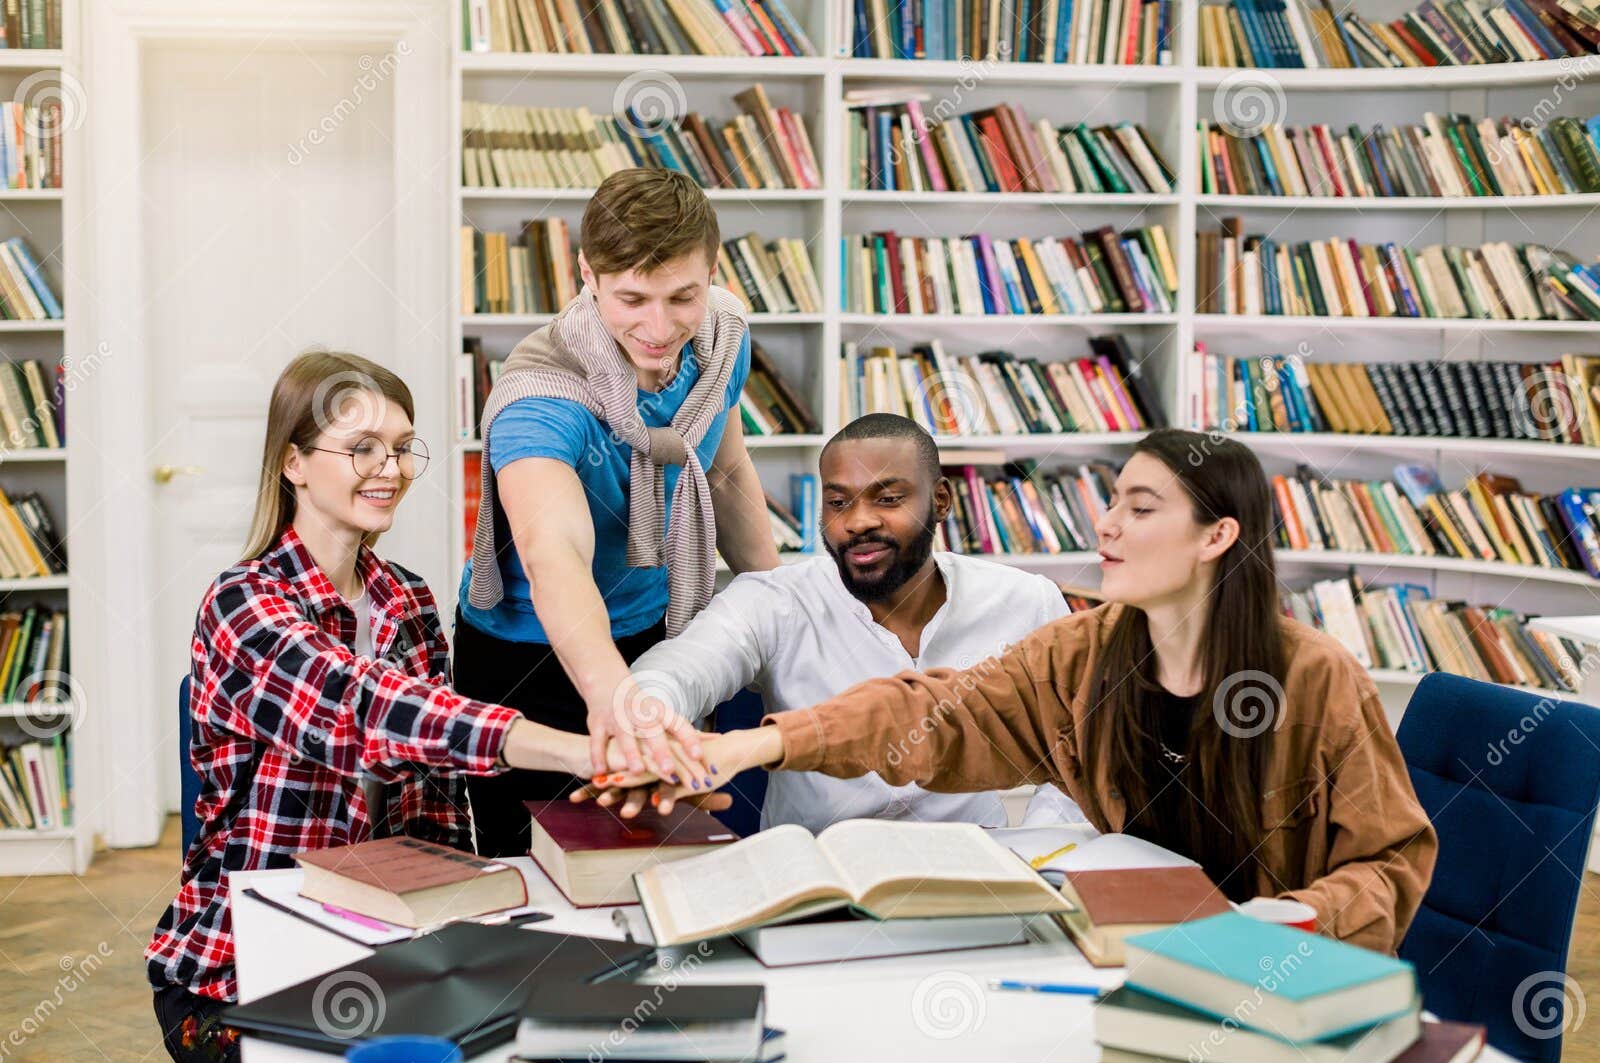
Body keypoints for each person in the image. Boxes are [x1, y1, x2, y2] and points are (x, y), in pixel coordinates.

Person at [588, 429, 1439, 955]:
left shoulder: (1316, 678)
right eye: (1111, 501)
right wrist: (752, 744)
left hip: (1273, 984)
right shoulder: (1086, 650)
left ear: (1218, 535)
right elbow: (933, 710)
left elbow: (1392, 862)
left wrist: (1283, 923)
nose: (1104, 524)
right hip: (1135, 957)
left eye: (1139, 508)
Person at [146, 351, 720, 1063]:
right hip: (240, 971)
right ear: (293, 462)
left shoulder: (410, 599)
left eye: (399, 448)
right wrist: (581, 746)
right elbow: (371, 712)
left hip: (384, 946)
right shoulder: (241, 602)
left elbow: (440, 805)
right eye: (361, 449)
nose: (389, 468)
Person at [454, 167, 776, 857]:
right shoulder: (540, 391)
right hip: (525, 658)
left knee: (661, 856)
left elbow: (723, 466)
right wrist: (613, 698)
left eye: (682, 296)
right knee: (540, 878)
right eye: (631, 298)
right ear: (587, 275)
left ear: (712, 274)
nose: (658, 328)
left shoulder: (721, 338)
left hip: (659, 630)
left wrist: (784, 612)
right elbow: (553, 554)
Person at [622, 412, 1083, 831]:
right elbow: (676, 670)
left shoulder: (1025, 600)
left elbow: (1082, 742)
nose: (858, 521)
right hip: (817, 876)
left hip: (978, 867)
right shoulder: (776, 600)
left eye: (887, 498)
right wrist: (656, 731)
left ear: (941, 500)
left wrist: (1039, 851)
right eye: (838, 503)